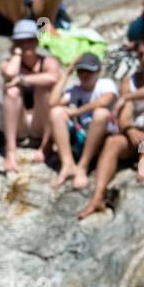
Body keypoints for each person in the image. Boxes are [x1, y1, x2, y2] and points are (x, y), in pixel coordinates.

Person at [78, 31, 144, 220]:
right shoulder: (130, 81)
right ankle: (97, 197)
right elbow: (125, 113)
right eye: (141, 55)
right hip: (140, 134)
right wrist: (129, 128)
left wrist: (127, 96)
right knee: (112, 143)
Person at [0, 18, 64, 174]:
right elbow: (9, 73)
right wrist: (17, 54)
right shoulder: (8, 63)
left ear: (36, 41)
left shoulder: (48, 62)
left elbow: (53, 77)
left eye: (30, 40)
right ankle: (10, 151)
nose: (26, 45)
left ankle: (46, 145)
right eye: (21, 41)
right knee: (12, 92)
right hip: (19, 124)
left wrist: (23, 80)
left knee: (46, 89)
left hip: (38, 123)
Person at [47, 52, 118, 191]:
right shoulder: (75, 91)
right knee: (56, 112)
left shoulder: (105, 84)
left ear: (98, 71)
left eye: (89, 71)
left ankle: (82, 167)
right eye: (81, 71)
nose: (84, 75)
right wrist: (67, 72)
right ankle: (67, 165)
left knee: (101, 113)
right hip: (82, 137)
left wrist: (77, 112)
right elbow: (52, 102)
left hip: (103, 140)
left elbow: (106, 100)